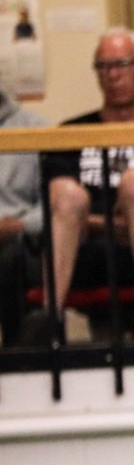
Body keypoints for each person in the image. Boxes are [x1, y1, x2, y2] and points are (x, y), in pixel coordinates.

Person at [27, 29, 134, 345]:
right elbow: (59, 205)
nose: (113, 75)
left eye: (123, 64)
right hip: (83, 252)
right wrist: (107, 226)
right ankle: (51, 312)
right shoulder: (72, 133)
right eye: (103, 67)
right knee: (71, 194)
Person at [0, 83, 47, 347]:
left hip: (20, 240)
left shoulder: (36, 129)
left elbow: (54, 206)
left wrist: (19, 226)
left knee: (12, 259)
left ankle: (20, 357)